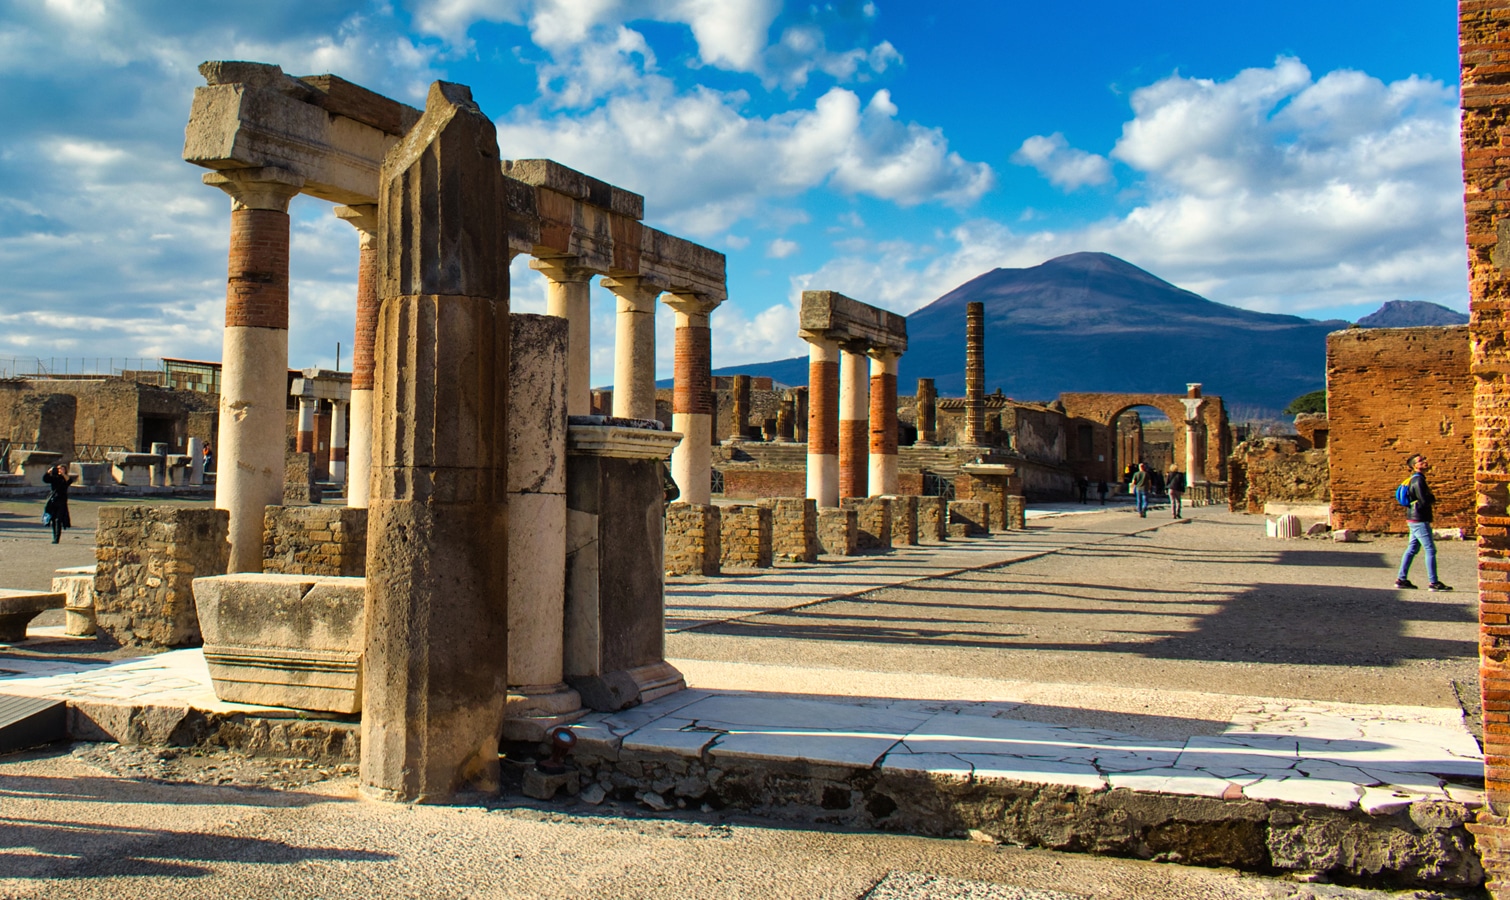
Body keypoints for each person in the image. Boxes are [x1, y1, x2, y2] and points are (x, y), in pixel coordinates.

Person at [1397, 453, 1451, 591]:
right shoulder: (1418, 480)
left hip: (1413, 517)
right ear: (1414, 466)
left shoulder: (1414, 479)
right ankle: (1433, 582)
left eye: (1424, 459)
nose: (1425, 462)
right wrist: (1432, 498)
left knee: (1412, 549)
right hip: (1419, 519)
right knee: (1430, 549)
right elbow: (1424, 500)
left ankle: (1401, 579)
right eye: (1421, 461)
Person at [42, 463, 77, 544]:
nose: (60, 470)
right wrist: (49, 472)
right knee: (53, 519)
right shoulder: (54, 478)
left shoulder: (65, 478)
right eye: (59, 469)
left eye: (62, 469)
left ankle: (57, 538)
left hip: (62, 501)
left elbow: (69, 481)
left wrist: (63, 474)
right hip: (53, 500)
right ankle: (54, 537)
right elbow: (45, 479)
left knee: (59, 519)